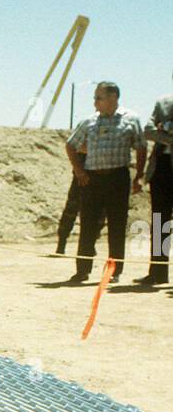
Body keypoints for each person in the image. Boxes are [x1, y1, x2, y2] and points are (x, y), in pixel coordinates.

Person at [64, 82, 145, 284]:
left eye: (98, 98)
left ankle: (114, 271)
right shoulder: (89, 122)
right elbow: (71, 145)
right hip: (92, 178)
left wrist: (139, 176)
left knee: (117, 225)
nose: (95, 103)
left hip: (118, 177)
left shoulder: (131, 119)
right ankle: (82, 269)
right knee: (88, 224)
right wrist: (79, 170)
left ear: (113, 98)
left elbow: (141, 147)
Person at [135, 84, 173, 287]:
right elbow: (148, 131)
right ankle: (158, 272)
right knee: (160, 221)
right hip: (162, 168)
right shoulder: (162, 103)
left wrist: (165, 130)